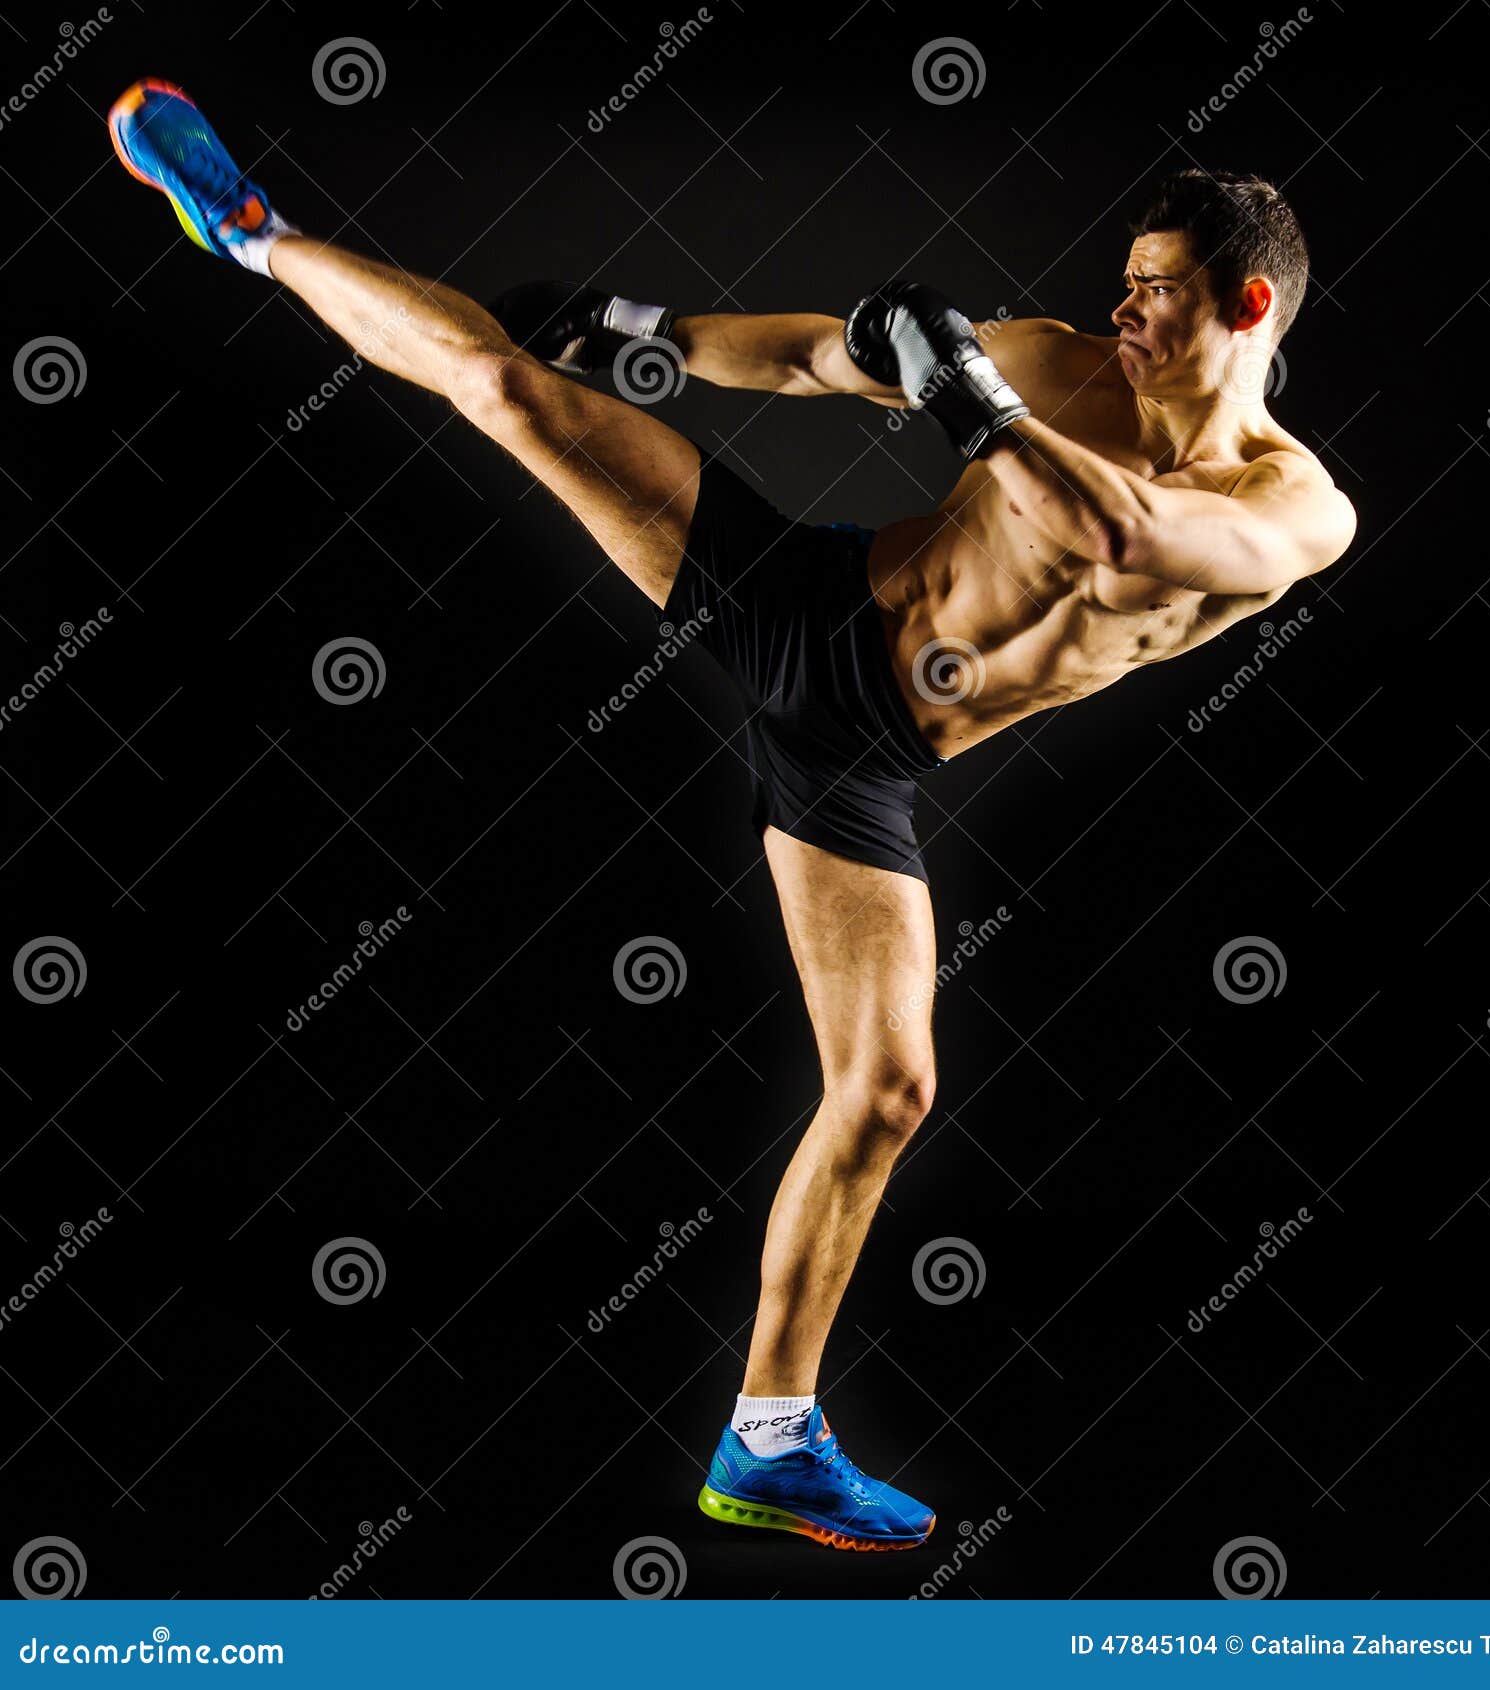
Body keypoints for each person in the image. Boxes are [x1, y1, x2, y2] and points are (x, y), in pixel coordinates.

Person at [110, 77, 1356, 1554]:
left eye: (1158, 292)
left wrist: (968, 393)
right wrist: (642, 329)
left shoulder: (1294, 508)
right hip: (799, 604)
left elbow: (1123, 530)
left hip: (865, 766)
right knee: (512, 388)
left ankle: (768, 1438)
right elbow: (824, 360)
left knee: (890, 1089)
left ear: (1249, 302)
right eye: (1127, 280)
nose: (1124, 308)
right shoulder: (1059, 366)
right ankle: (250, 232)